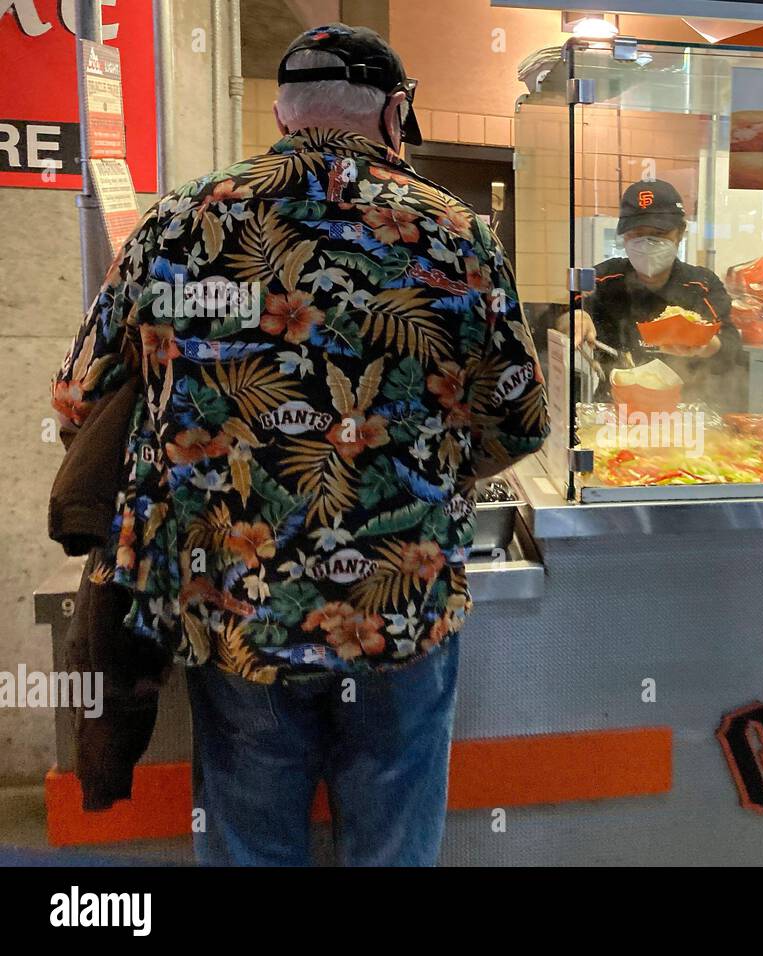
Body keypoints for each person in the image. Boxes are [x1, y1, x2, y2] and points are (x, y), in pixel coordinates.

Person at [50, 23, 548, 866]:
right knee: (393, 845)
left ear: (281, 111)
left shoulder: (178, 222)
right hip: (400, 605)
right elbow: (521, 419)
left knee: (249, 844)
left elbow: (77, 401)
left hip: (237, 601)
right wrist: (434, 466)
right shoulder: (457, 234)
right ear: (396, 113)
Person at [567, 180, 741, 403]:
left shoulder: (702, 284)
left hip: (683, 409)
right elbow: (561, 315)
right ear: (624, 236)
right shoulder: (603, 277)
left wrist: (705, 344)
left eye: (659, 233)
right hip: (614, 409)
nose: (647, 242)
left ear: (680, 233)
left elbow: (731, 346)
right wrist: (574, 318)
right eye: (637, 233)